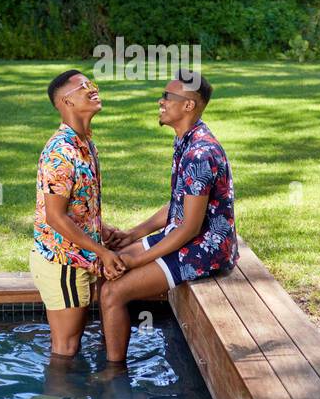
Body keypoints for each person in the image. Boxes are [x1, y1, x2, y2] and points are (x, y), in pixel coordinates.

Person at [100, 74, 238, 363]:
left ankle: (114, 373)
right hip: (186, 236)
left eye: (167, 97)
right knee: (112, 264)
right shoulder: (187, 139)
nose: (160, 102)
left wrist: (138, 261)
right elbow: (179, 204)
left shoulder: (200, 153)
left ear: (188, 105)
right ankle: (110, 351)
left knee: (113, 292)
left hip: (205, 250)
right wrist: (132, 235)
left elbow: (189, 228)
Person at [30, 69, 127, 357]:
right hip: (63, 261)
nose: (92, 89)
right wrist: (103, 252)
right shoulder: (61, 152)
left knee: (73, 344)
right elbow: (55, 217)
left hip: (79, 255)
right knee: (66, 348)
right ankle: (62, 390)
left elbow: (76, 206)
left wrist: (101, 229)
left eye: (91, 83)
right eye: (83, 86)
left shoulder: (84, 143)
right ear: (67, 102)